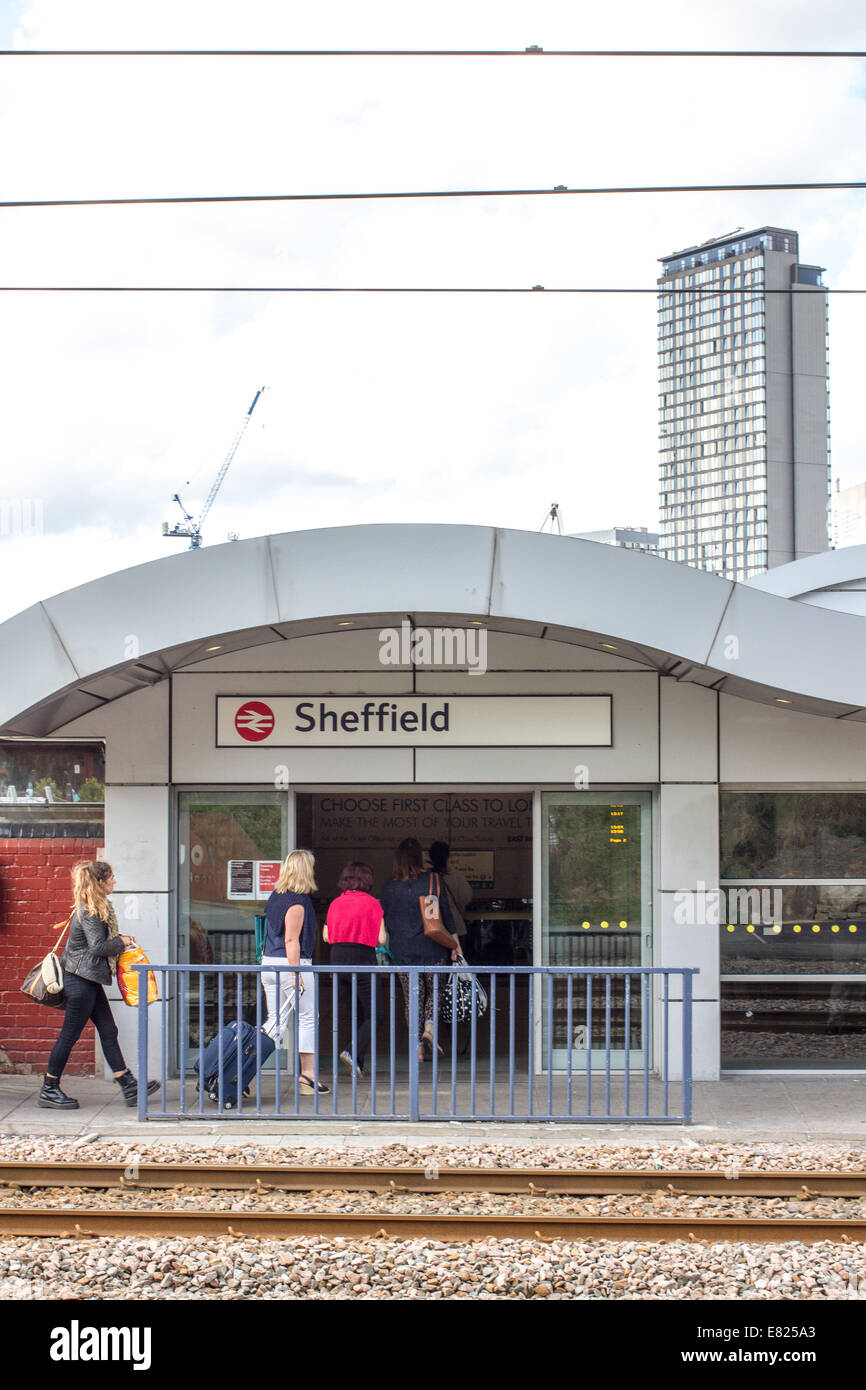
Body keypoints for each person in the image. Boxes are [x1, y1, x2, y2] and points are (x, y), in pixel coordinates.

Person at [39, 860, 160, 1110]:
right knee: (70, 1035)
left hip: (88, 980)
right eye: (112, 877)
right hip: (80, 981)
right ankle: (49, 1088)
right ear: (101, 882)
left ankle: (127, 1084)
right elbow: (97, 947)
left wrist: (119, 940)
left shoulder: (95, 907)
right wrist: (122, 941)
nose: (115, 880)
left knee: (108, 1029)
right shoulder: (91, 911)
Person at [380, 837, 460, 1061]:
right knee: (435, 991)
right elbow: (446, 915)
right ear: (419, 857)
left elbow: (382, 918)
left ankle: (417, 1048)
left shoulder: (389, 887)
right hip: (433, 948)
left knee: (411, 998)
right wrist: (456, 945)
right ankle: (430, 1029)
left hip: (403, 952)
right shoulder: (433, 880)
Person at [261, 848, 329, 1096]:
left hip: (269, 964)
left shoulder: (276, 896)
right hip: (291, 965)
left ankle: (239, 1069)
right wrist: (296, 972)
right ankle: (308, 1075)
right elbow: (292, 941)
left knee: (275, 1022)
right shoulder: (298, 903)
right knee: (308, 1017)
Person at [323, 861, 386, 1079]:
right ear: (367, 880)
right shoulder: (372, 904)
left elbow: (326, 936)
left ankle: (356, 1065)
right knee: (375, 1013)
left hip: (338, 959)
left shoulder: (335, 904)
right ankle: (351, 1051)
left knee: (354, 1013)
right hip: (362, 959)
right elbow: (381, 938)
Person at [428, 842, 473, 948]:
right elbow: (467, 898)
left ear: (430, 856)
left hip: (433, 930)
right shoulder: (457, 877)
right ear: (448, 856)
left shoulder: (426, 878)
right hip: (456, 927)